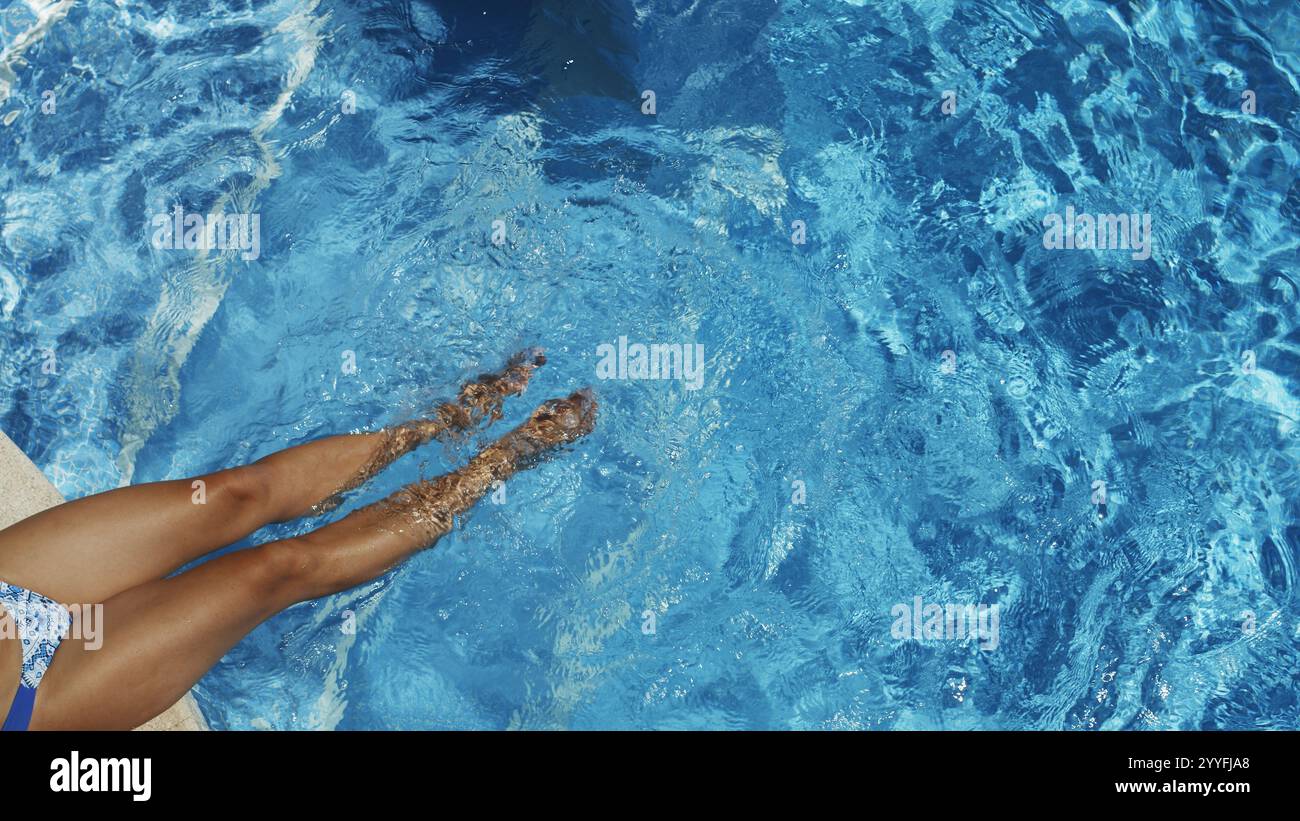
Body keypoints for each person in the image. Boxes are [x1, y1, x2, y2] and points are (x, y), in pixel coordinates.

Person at [0, 351, 595, 730]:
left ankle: (443, 421)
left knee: (233, 493)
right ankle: (497, 465)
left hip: (12, 589)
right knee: (277, 568)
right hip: (41, 698)